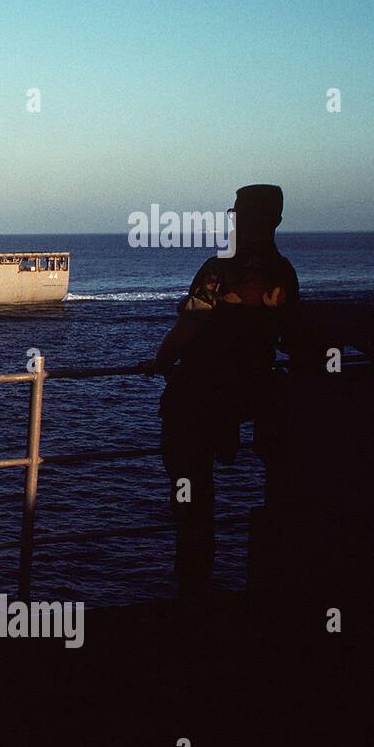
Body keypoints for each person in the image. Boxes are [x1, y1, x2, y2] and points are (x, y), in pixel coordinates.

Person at [149, 185, 299, 602]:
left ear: (239, 218)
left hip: (198, 396)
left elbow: (189, 326)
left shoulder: (219, 269)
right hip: (248, 394)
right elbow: (289, 332)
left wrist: (161, 360)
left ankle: (193, 592)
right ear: (277, 220)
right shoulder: (285, 272)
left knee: (191, 498)